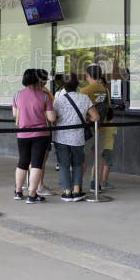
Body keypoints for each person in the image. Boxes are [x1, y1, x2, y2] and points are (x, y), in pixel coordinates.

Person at [52, 73, 99, 201]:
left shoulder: (58, 100)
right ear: (77, 84)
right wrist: (85, 118)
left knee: (64, 164)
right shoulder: (84, 98)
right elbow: (96, 117)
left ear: (64, 86)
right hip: (77, 137)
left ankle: (67, 192)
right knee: (78, 163)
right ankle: (77, 191)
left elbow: (53, 119)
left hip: (61, 137)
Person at [12, 68, 56, 204]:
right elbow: (52, 117)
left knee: (23, 162)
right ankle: (32, 194)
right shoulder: (44, 96)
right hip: (40, 134)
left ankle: (18, 191)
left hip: (22, 134)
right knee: (36, 163)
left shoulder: (17, 95)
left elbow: (15, 115)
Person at [92, 108, 117, 189]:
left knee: (96, 163)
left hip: (99, 145)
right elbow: (114, 133)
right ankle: (104, 182)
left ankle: (93, 181)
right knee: (107, 164)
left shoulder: (99, 123)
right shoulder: (111, 124)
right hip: (108, 147)